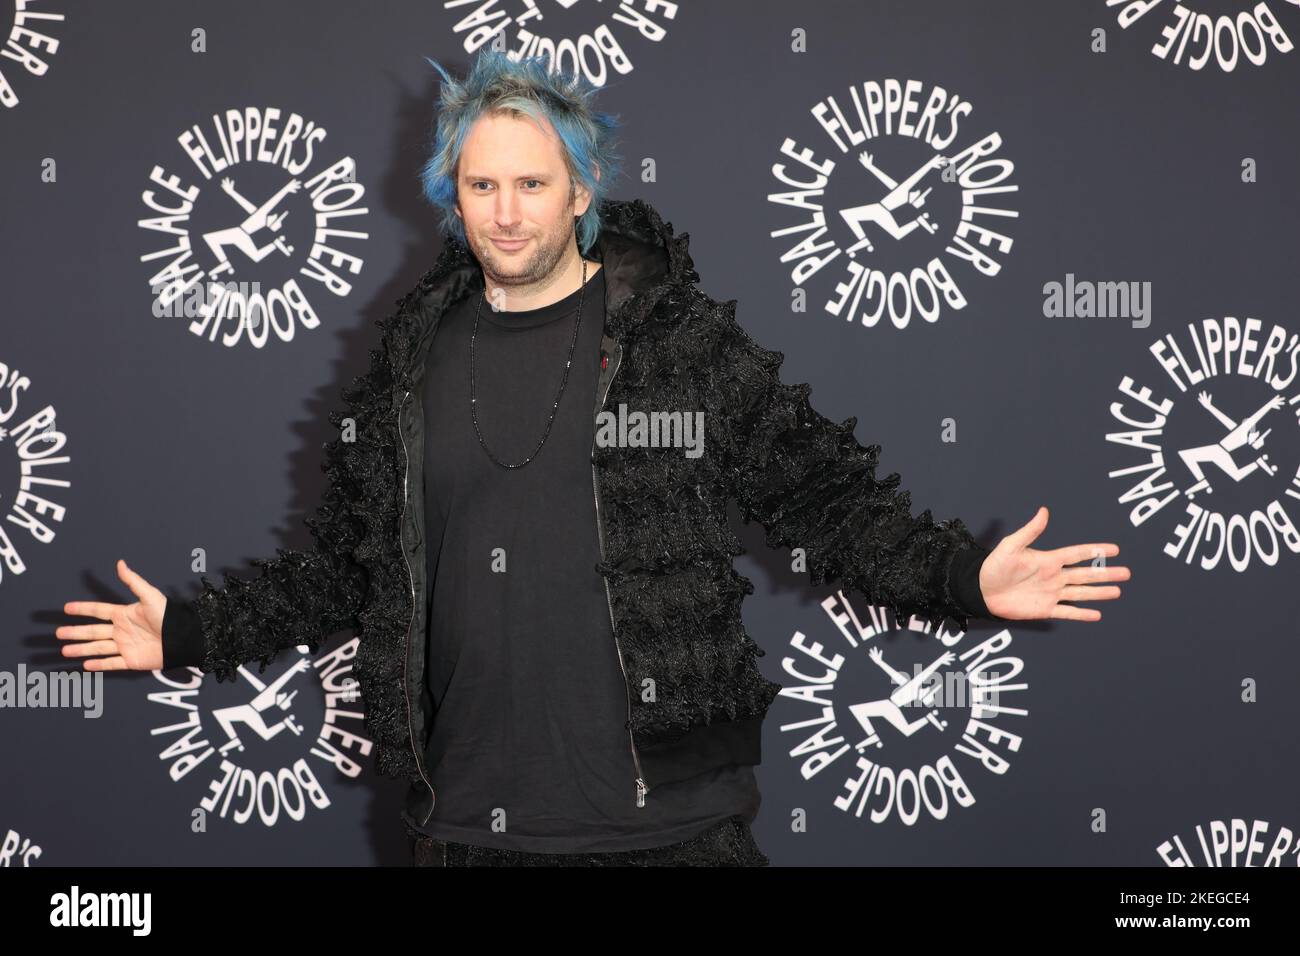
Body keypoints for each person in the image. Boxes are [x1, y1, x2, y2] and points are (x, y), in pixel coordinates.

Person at [55, 50, 1130, 867]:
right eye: (481, 187)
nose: (507, 212)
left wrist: (962, 577)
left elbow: (825, 495)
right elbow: (348, 561)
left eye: (533, 184)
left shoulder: (677, 337)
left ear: (582, 191)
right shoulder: (407, 364)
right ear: (452, 196)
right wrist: (191, 631)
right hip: (472, 830)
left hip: (677, 831)